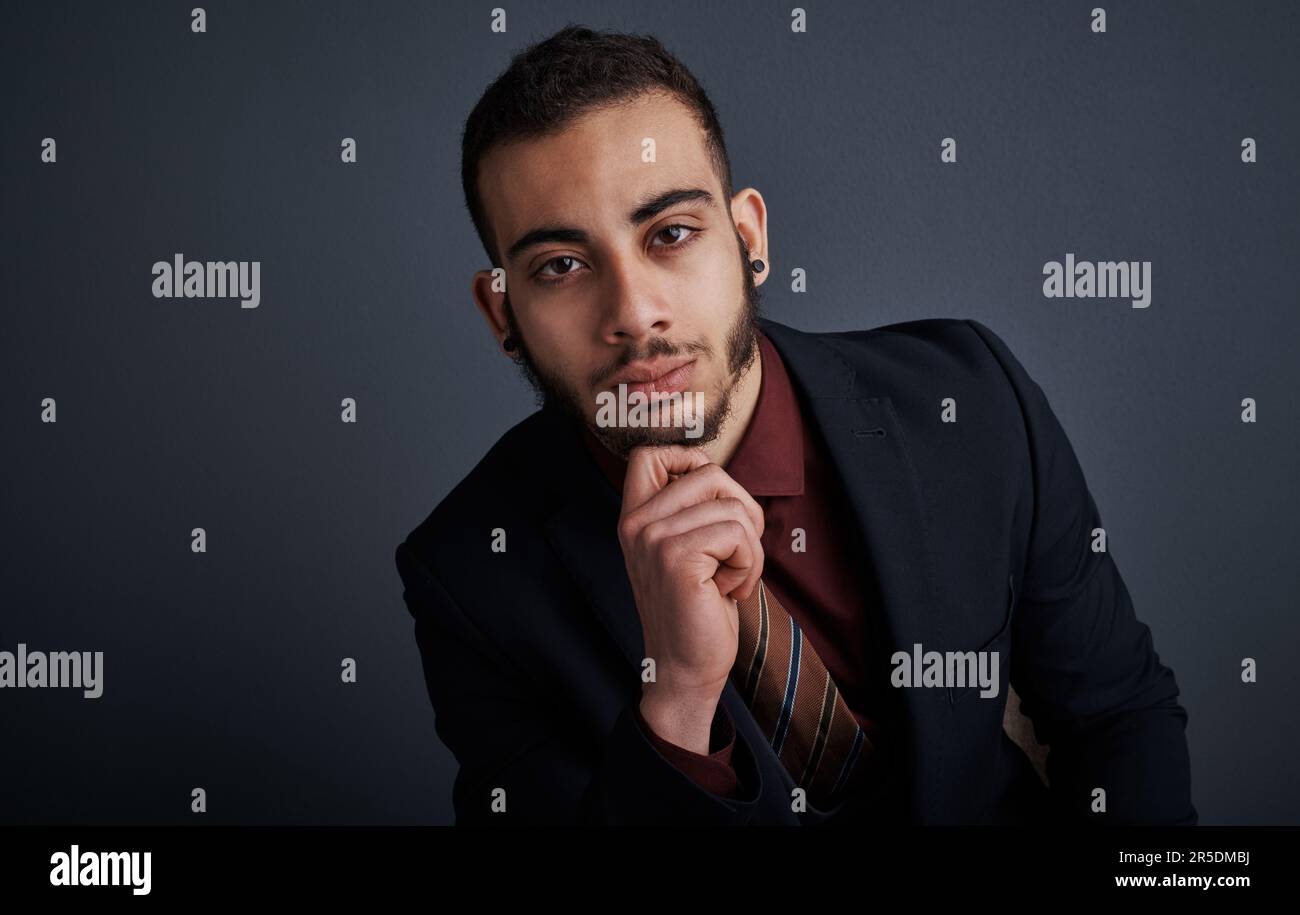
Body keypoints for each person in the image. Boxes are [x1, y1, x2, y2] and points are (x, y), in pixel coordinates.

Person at [393, 25, 1195, 825]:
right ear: (503, 311)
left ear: (748, 239)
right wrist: (677, 699)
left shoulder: (972, 398)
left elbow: (1117, 716)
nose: (635, 315)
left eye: (670, 234)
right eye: (561, 266)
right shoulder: (469, 576)